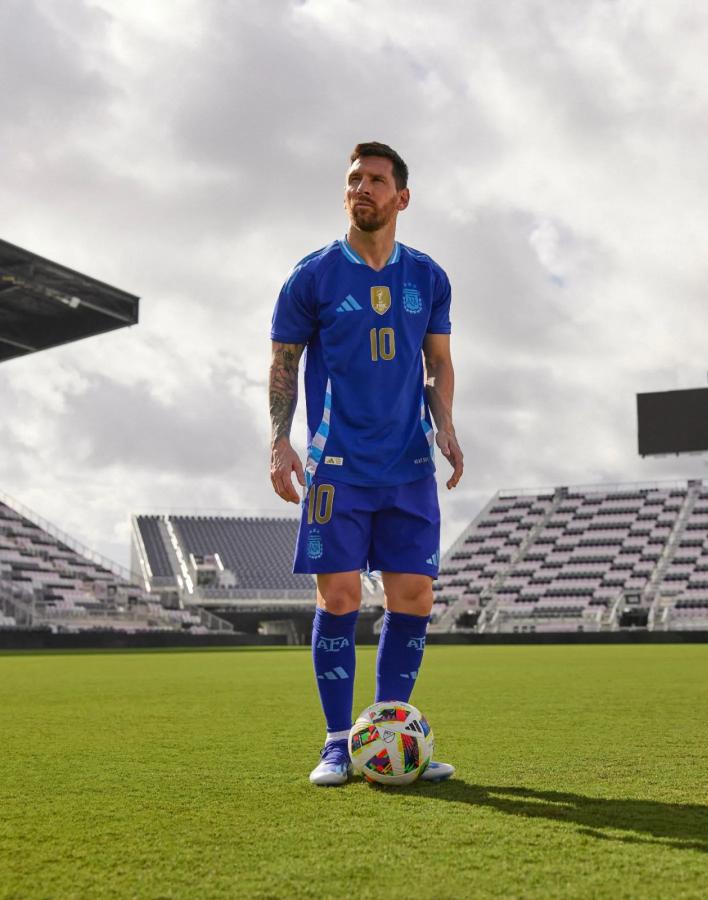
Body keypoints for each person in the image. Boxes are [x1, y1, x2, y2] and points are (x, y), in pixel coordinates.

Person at [269, 142, 463, 786]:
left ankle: (394, 732)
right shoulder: (313, 276)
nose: (364, 188)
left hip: (407, 464)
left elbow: (438, 363)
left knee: (413, 596)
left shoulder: (429, 278)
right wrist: (279, 439)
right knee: (341, 595)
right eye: (355, 179)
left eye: (377, 180)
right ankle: (335, 743)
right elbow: (283, 364)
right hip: (336, 468)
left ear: (401, 198)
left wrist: (447, 427)